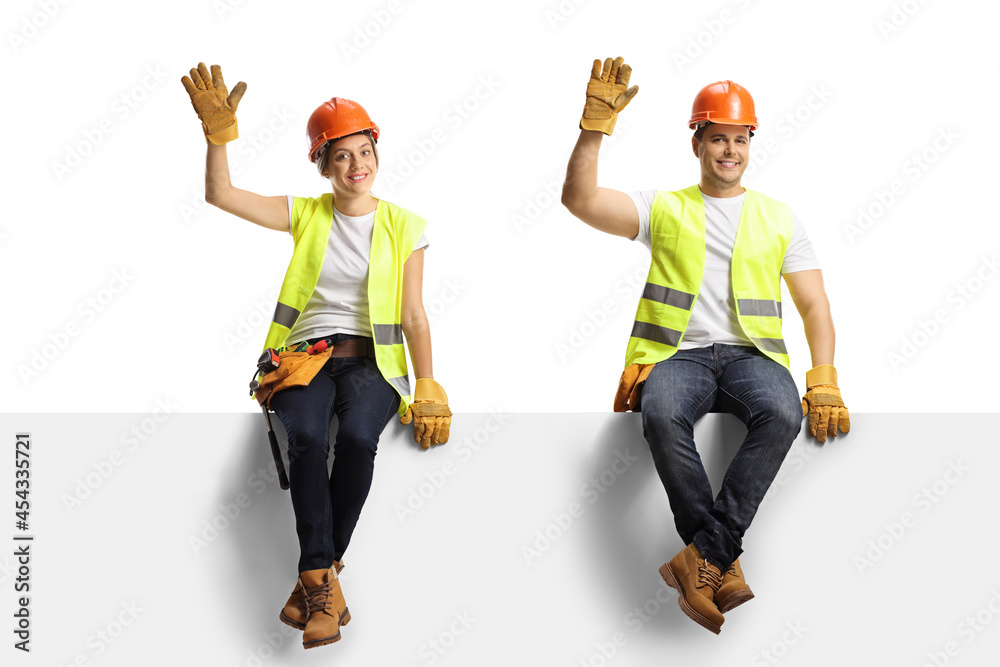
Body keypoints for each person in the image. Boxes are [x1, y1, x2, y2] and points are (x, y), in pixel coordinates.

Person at [561, 58, 851, 635]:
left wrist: (824, 376)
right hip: (677, 355)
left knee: (781, 411)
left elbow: (815, 304)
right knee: (662, 411)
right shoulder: (662, 206)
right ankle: (719, 560)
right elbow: (580, 199)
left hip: (753, 357)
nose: (729, 151)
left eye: (739, 140)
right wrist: (594, 126)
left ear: (751, 143)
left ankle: (703, 557)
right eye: (717, 138)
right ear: (697, 141)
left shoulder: (778, 217)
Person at [181, 63, 452, 650]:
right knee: (306, 435)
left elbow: (412, 315)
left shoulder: (407, 226)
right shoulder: (306, 214)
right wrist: (216, 140)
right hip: (304, 357)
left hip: (372, 361)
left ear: (377, 153)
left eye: (364, 152)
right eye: (341, 156)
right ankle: (322, 586)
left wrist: (427, 386)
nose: (357, 166)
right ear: (323, 165)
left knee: (356, 438)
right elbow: (220, 194)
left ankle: (313, 583)